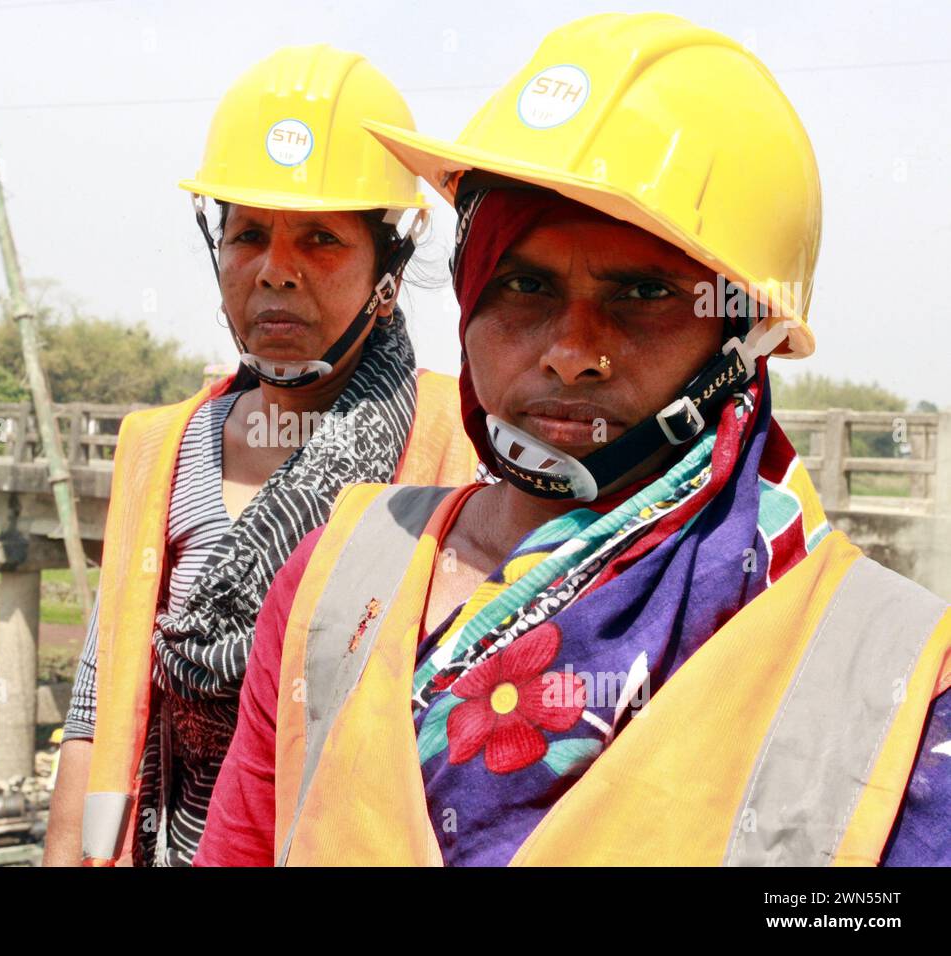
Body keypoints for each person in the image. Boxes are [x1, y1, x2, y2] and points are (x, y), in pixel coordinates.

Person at [197, 13, 951, 866]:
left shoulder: (898, 678)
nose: (570, 353)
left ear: (742, 339)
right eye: (523, 284)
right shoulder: (337, 578)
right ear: (469, 291)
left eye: (642, 294)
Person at [43, 43, 477, 867]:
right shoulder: (160, 446)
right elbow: (103, 699)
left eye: (320, 238)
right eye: (249, 236)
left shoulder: (453, 440)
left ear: (390, 266)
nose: (276, 271)